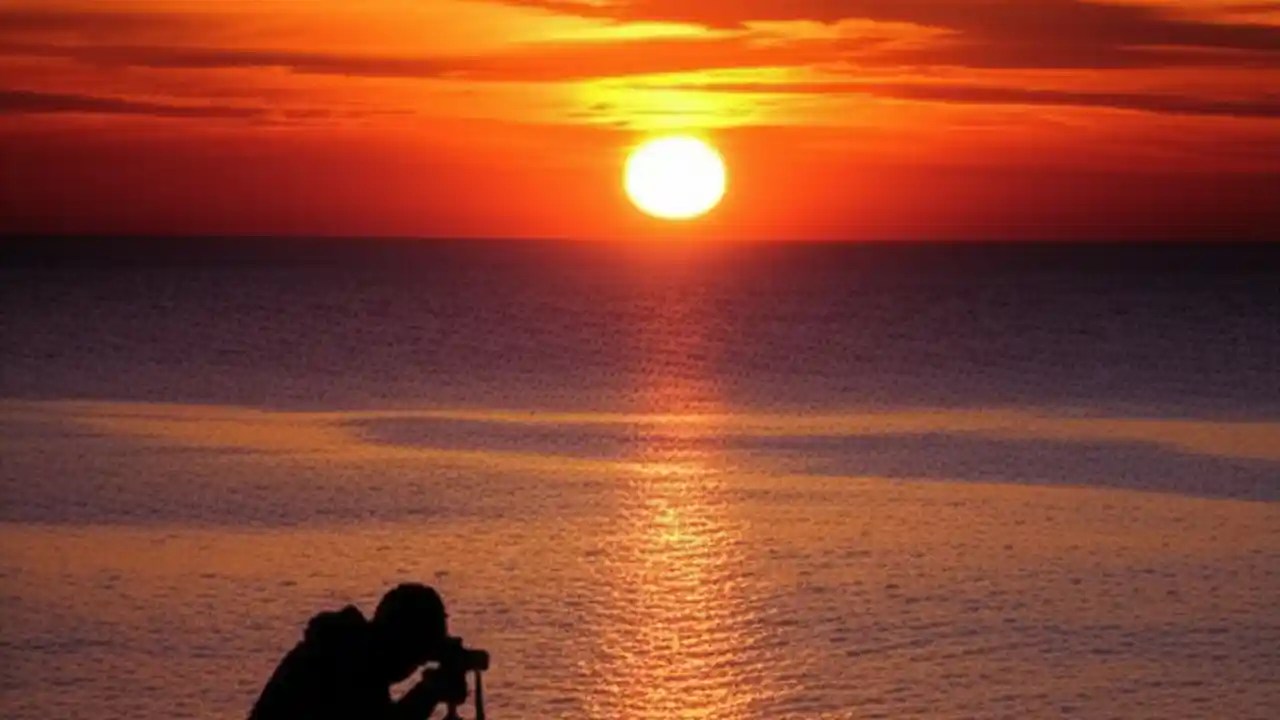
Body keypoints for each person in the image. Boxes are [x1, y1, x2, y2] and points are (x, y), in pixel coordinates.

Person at [249, 583, 468, 720]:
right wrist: (429, 692)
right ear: (400, 645)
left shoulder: (345, 649)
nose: (410, 670)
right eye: (416, 658)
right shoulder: (342, 662)